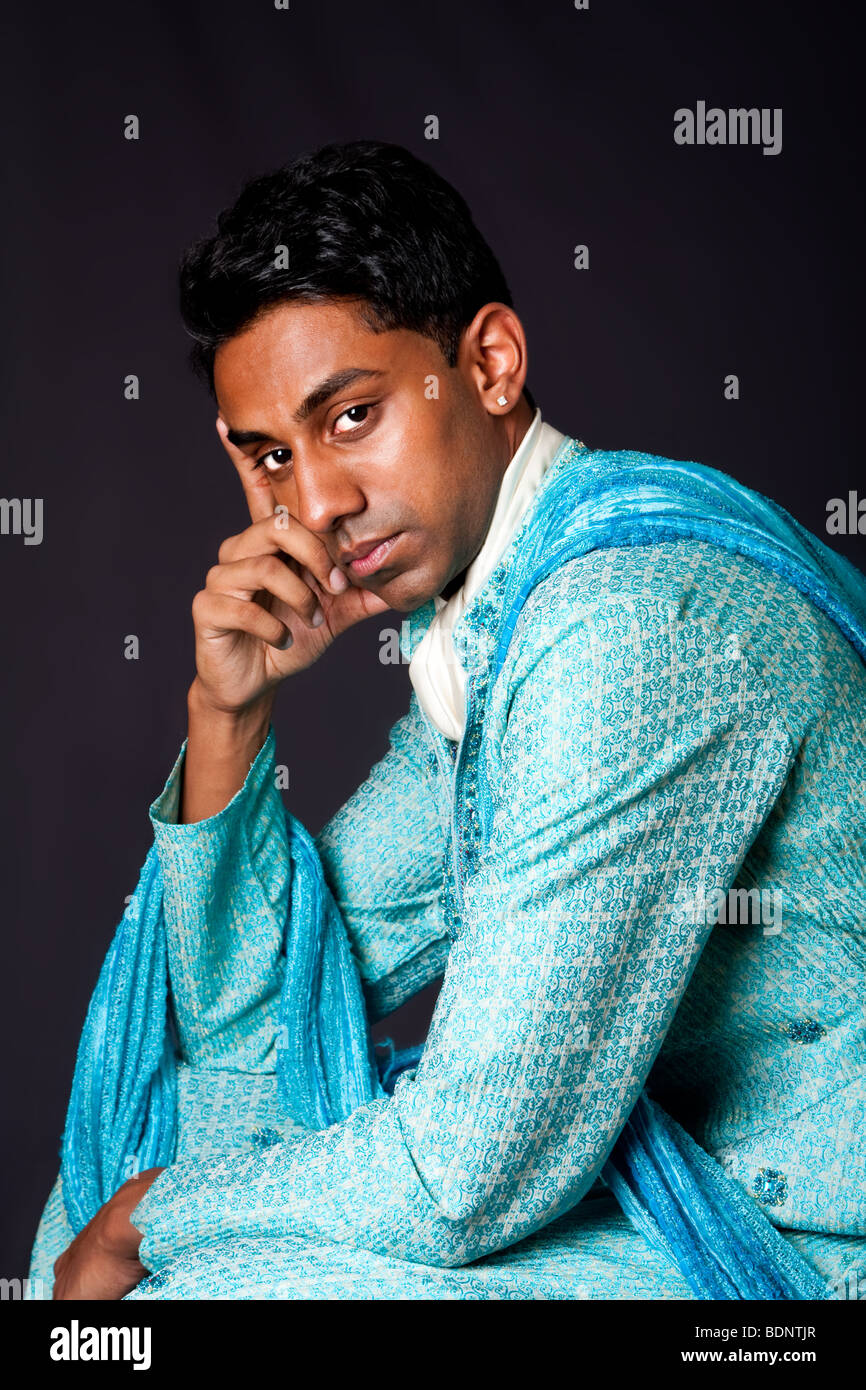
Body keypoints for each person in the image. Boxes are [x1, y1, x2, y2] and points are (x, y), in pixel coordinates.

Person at [31, 140, 865, 1300]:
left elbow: (468, 1167)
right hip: (669, 1195)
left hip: (803, 1246)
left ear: (487, 363)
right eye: (273, 454)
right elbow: (256, 1014)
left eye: (353, 415)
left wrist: (153, 1224)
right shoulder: (500, 620)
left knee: (185, 1279)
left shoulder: (622, 626)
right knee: (107, 1192)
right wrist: (229, 704)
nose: (314, 503)